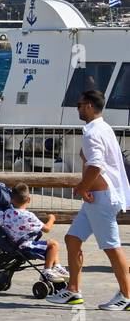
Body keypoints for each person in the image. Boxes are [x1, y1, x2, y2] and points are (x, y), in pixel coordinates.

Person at [49, 89, 130, 309]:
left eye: (79, 105)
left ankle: (126, 296)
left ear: (89, 106)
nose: (77, 108)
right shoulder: (104, 127)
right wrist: (86, 188)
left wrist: (81, 187)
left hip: (100, 199)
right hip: (95, 197)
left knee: (112, 247)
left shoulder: (92, 132)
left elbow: (96, 165)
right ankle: (73, 290)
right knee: (72, 239)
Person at [0, 183, 65, 282]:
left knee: (50, 247)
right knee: (54, 245)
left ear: (11, 199)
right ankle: (47, 271)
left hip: (11, 244)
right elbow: (47, 229)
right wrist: (52, 218)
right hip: (25, 246)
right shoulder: (28, 216)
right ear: (29, 200)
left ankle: (57, 267)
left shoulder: (7, 213)